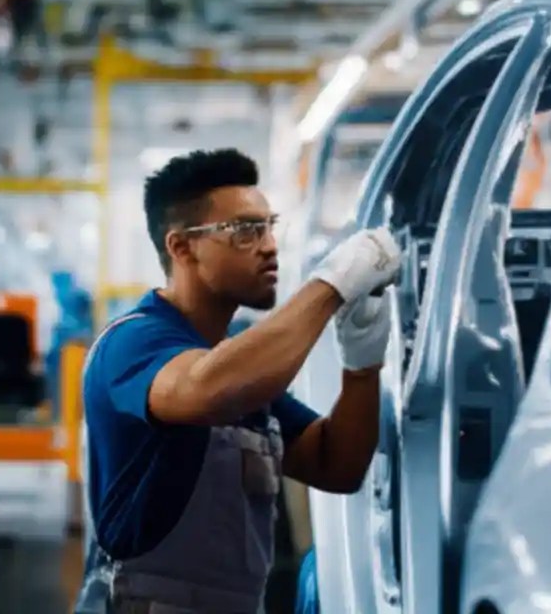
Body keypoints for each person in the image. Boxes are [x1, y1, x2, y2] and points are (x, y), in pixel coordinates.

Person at [75, 148, 401, 613]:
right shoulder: (133, 343)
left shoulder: (242, 372)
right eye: (246, 231)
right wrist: (330, 284)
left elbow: (337, 464)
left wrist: (362, 365)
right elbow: (206, 392)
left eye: (270, 226)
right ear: (181, 247)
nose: (269, 245)